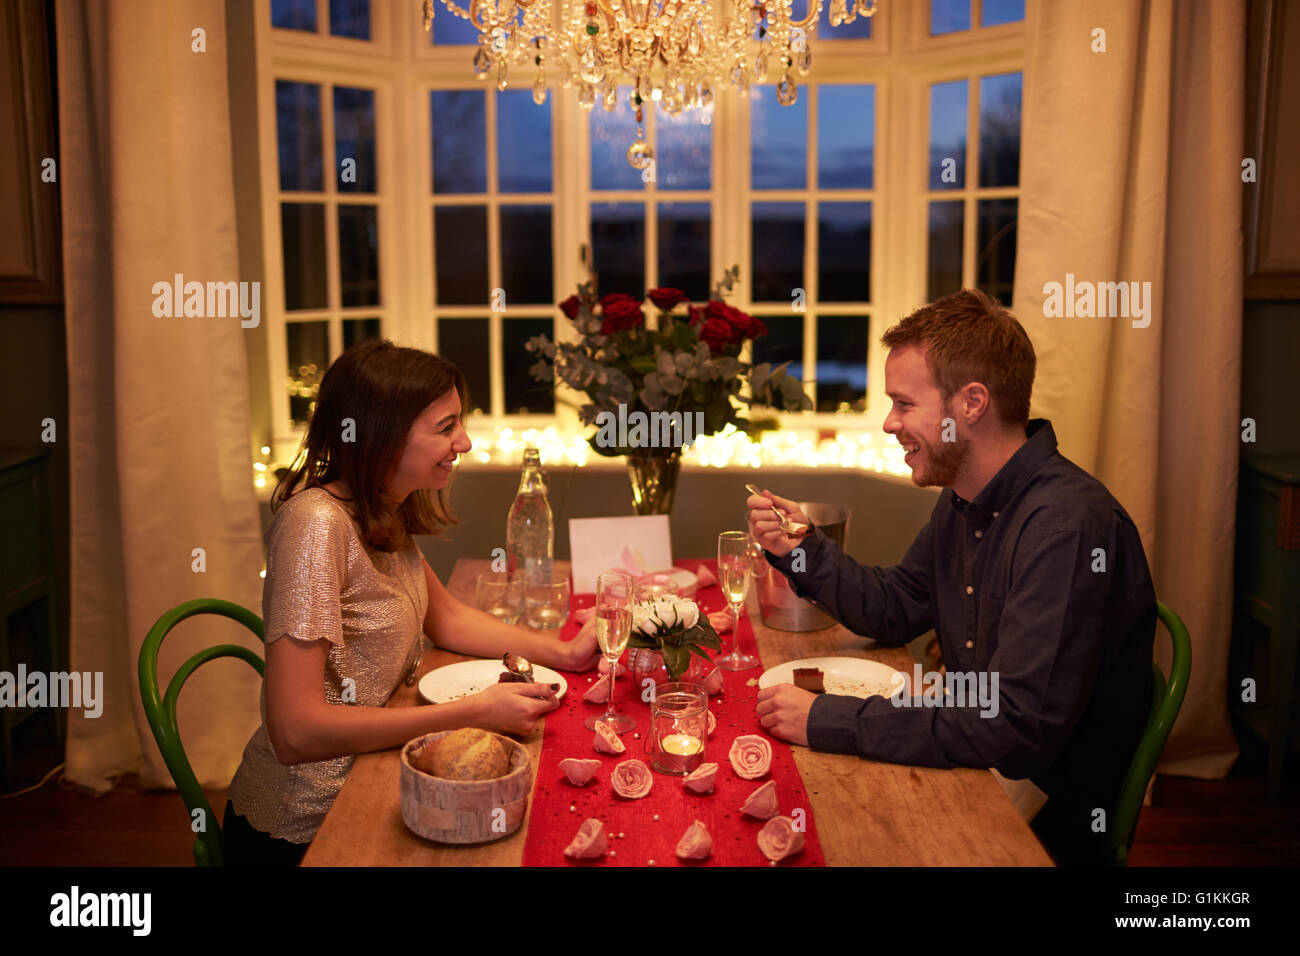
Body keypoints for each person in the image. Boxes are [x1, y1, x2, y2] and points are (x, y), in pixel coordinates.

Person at [750, 289, 1156, 866]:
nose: (889, 423)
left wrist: (829, 719)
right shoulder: (969, 497)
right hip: (975, 759)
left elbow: (1013, 725)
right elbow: (895, 607)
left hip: (1030, 817)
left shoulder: (1066, 529)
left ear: (971, 403)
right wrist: (801, 550)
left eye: (903, 403)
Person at [224, 339, 599, 866]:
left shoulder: (379, 507)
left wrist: (565, 654)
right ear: (382, 435)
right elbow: (295, 732)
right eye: (446, 427)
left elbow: (447, 620)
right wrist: (471, 713)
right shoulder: (316, 524)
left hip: (376, 770)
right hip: (306, 825)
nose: (464, 442)